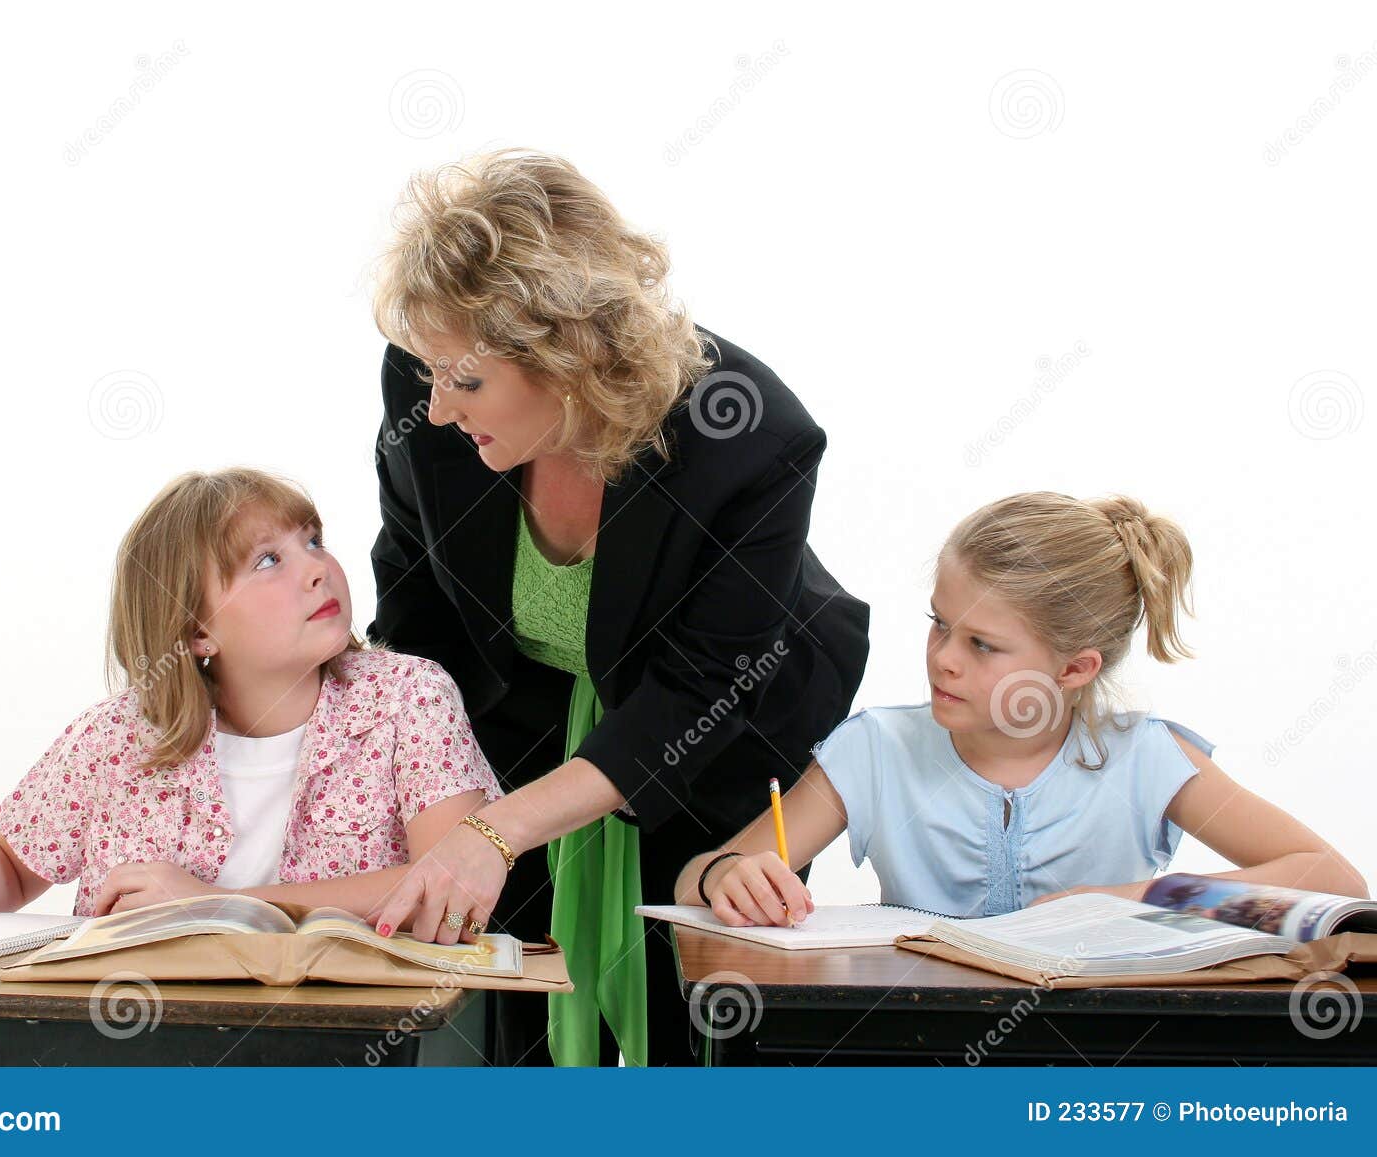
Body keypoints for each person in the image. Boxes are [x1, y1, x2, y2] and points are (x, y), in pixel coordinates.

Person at [364, 148, 870, 1065]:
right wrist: (444, 807)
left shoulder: (753, 435)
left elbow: (695, 690)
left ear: (563, 354)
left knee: (697, 1003)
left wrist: (496, 829)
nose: (435, 408)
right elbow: (415, 618)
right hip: (525, 712)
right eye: (430, 371)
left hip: (723, 718)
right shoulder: (424, 383)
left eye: (465, 381)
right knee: (508, 997)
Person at [677, 492, 1367, 928]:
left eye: (983, 644)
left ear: (1074, 668)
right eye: (939, 623)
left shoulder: (1147, 759)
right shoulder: (875, 749)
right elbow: (693, 880)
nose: (944, 657)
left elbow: (1332, 878)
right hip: (917, 1054)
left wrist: (1128, 899)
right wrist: (726, 876)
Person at [0, 468, 499, 928]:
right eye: (267, 560)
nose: (315, 567)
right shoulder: (116, 738)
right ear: (196, 630)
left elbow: (451, 878)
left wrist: (220, 903)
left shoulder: (411, 699)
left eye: (312, 539)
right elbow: (10, 863)